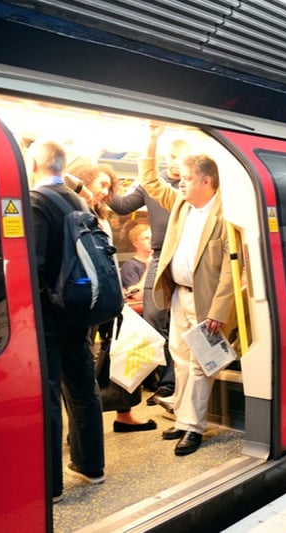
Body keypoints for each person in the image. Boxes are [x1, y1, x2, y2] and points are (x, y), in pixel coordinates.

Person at [140, 135, 236, 456]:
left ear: (206, 181)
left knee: (200, 363)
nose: (180, 184)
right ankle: (182, 419)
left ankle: (193, 428)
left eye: (187, 179)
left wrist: (219, 309)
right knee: (179, 355)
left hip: (206, 302)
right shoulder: (182, 204)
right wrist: (151, 141)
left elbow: (231, 267)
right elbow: (149, 182)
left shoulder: (226, 213)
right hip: (180, 295)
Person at [27, 140, 105, 502]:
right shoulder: (81, 200)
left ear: (35, 164)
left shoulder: (36, 202)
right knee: (82, 385)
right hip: (80, 309)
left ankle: (51, 485)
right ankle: (91, 467)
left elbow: (36, 263)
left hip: (50, 313)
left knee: (49, 392)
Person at [106, 126, 190, 404]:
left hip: (188, 254)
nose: (177, 163)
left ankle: (181, 379)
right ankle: (166, 379)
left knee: (188, 319)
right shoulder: (151, 183)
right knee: (154, 317)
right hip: (160, 255)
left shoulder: (193, 184)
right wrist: (105, 185)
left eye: (182, 157)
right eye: (173, 157)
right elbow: (122, 205)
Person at [73, 162, 157, 434]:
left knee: (124, 350)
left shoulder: (103, 214)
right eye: (102, 185)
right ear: (84, 183)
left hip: (109, 296)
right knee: (82, 361)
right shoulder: (73, 211)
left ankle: (124, 413)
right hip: (86, 298)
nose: (106, 192)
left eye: (109, 187)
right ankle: (80, 425)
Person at [120, 223, 152, 310]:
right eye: (146, 238)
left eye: (152, 237)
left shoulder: (159, 262)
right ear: (136, 244)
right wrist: (148, 269)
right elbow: (137, 295)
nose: (151, 241)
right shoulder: (130, 266)